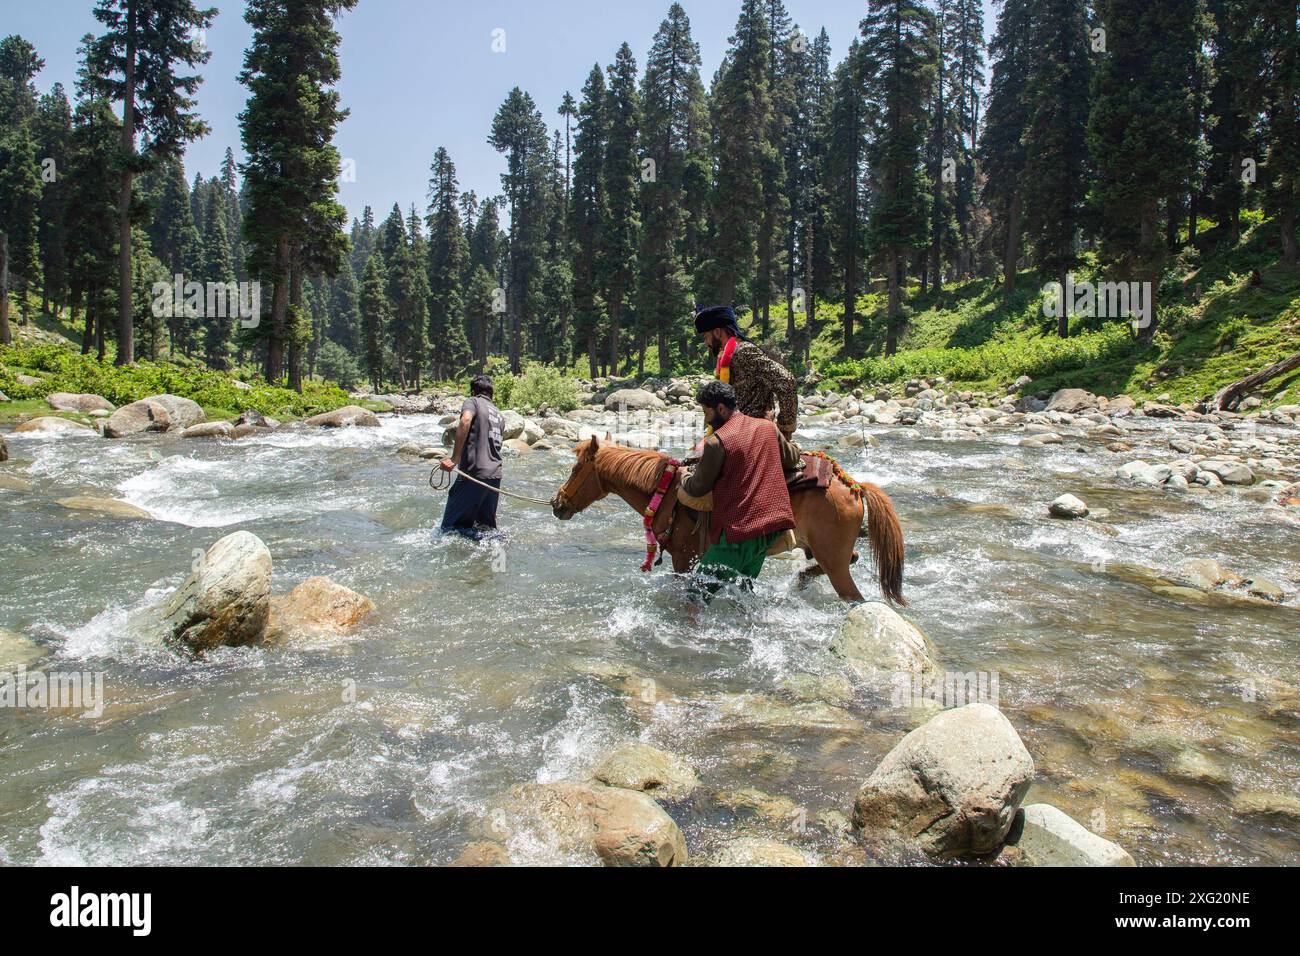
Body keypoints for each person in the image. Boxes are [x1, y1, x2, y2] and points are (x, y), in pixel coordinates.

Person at [681, 380, 800, 587]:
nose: (705, 419)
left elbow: (698, 487)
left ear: (720, 408)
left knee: (695, 594)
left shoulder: (716, 442)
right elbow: (791, 458)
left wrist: (683, 476)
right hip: (770, 529)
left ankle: (691, 621)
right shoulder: (767, 427)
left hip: (738, 534)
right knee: (743, 591)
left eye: (705, 411)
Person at [694, 304, 799, 439]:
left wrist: (785, 428)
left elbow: (786, 380)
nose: (706, 342)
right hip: (734, 431)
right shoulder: (725, 355)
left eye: (706, 336)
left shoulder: (744, 351)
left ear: (717, 332)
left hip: (752, 434)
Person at [439, 374, 505, 538]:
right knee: (486, 532)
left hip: (473, 475)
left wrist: (454, 459)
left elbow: (465, 420)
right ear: (491, 394)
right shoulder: (499, 415)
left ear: (474, 391)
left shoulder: (473, 402)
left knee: (449, 530)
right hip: (494, 477)